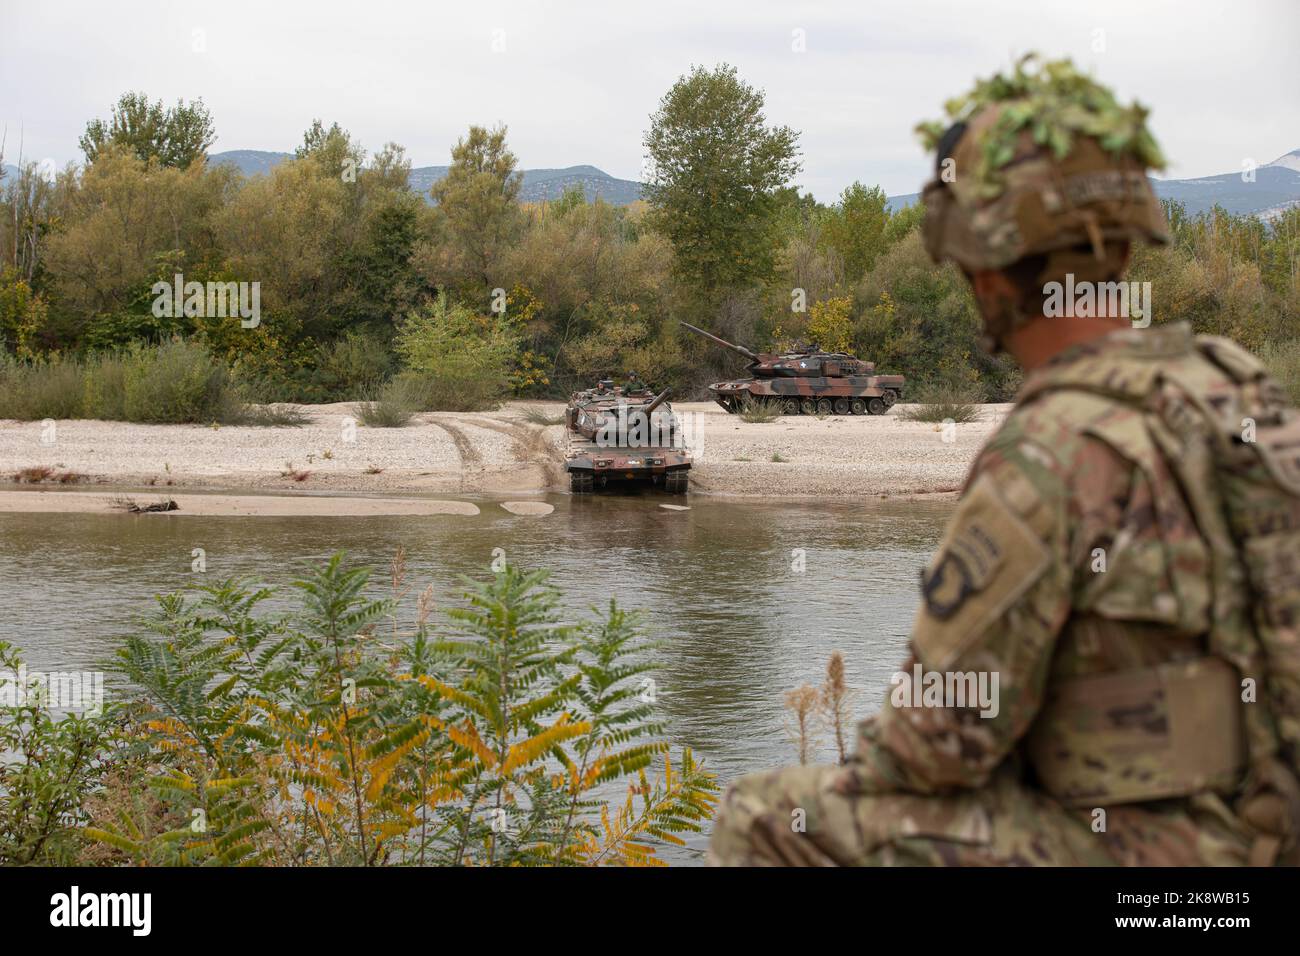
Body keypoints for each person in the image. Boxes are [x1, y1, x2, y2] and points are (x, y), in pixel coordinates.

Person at [708, 56, 1300, 867]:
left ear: (985, 267)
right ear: (1127, 242)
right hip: (1267, 825)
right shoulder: (1248, 395)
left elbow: (930, 748)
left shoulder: (1053, 456)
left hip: (1179, 875)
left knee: (766, 818)